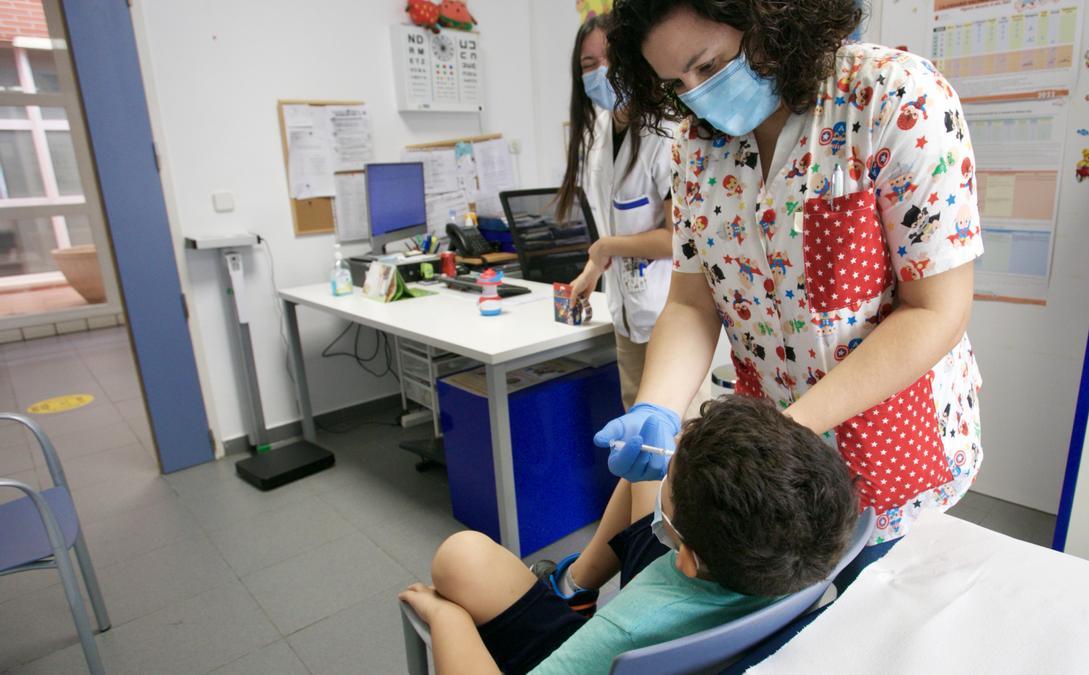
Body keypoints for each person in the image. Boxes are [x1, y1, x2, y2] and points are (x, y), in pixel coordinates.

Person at [582, 0, 985, 589]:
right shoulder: (698, 147)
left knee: (879, 614)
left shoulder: (893, 97)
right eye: (676, 83)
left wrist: (786, 432)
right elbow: (693, 304)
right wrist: (658, 406)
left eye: (709, 65)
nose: (697, 94)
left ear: (771, 19)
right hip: (775, 468)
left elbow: (936, 309)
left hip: (890, 437)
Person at [399, 395, 858, 674]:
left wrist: (447, 620)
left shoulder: (626, 627)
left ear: (685, 558)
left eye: (668, 486)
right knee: (638, 479)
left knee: (458, 556)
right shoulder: (815, 539)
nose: (662, 477)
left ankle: (564, 594)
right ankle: (574, 587)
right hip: (694, 629)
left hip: (605, 655)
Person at [556, 13, 676, 411]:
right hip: (626, 314)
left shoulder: (667, 133)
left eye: (609, 58)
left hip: (670, 316)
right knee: (636, 431)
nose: (600, 72)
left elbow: (677, 239)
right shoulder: (597, 140)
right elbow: (614, 226)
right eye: (588, 65)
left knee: (680, 436)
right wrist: (594, 268)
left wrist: (604, 247)